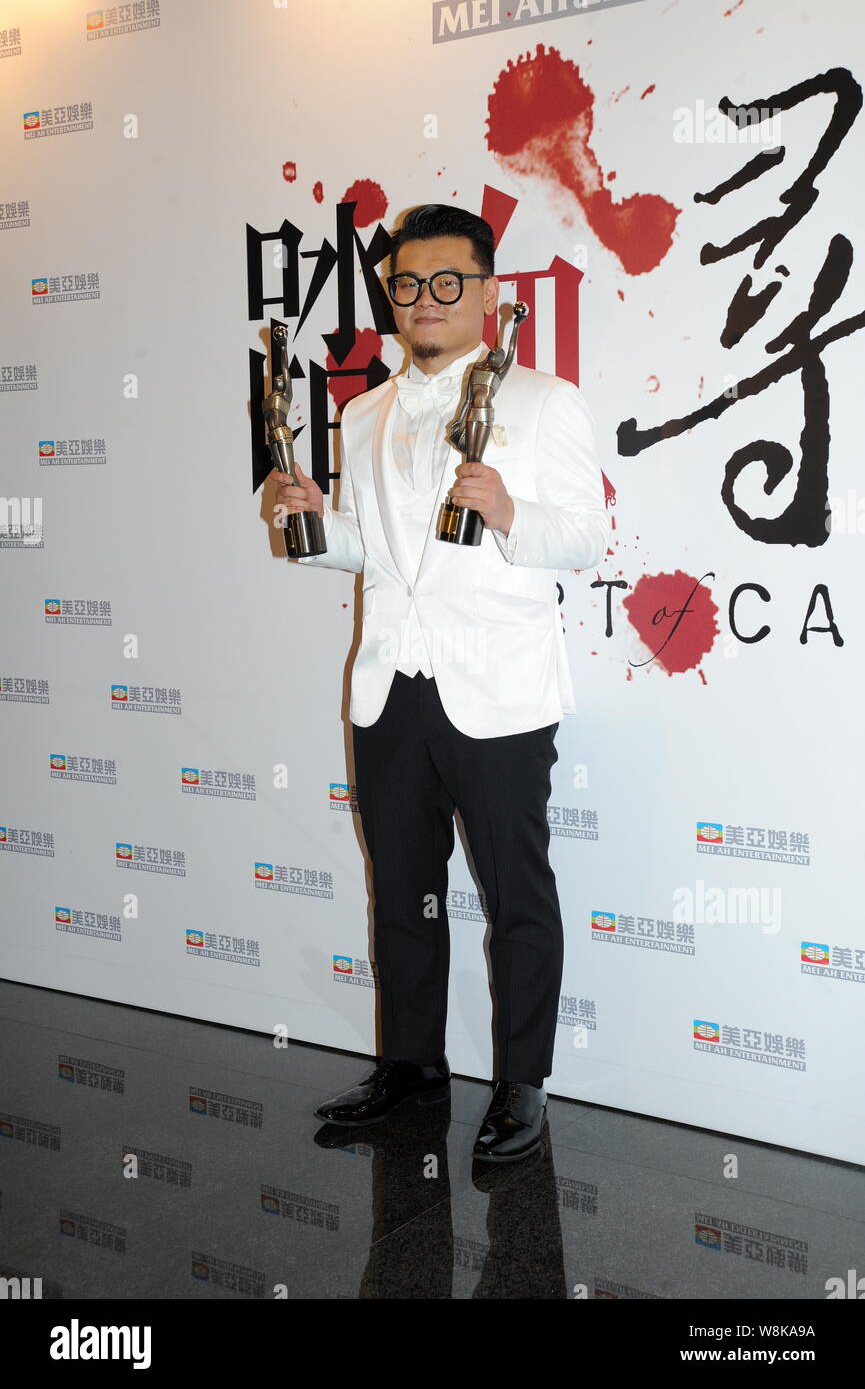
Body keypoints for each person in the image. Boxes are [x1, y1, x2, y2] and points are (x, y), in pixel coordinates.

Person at [275, 204, 610, 1162]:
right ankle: (413, 1069)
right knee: (404, 890)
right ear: (392, 296)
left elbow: (585, 540)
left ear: (488, 291)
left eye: (446, 282)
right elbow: (372, 553)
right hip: (389, 689)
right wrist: (309, 522)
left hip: (497, 693)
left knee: (517, 896)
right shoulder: (363, 410)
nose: (424, 300)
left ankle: (521, 1086)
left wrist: (508, 508)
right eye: (407, 284)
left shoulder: (543, 402)